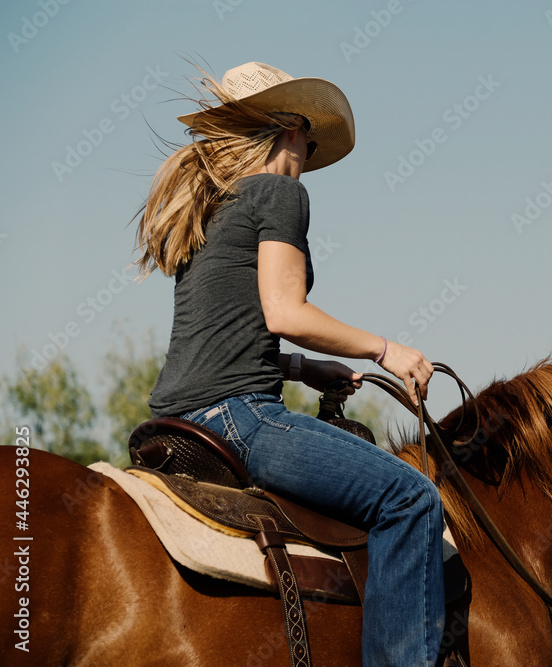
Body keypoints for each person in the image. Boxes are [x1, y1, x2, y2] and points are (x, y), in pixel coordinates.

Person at [134, 61, 445, 666]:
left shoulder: (208, 205)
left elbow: (225, 331)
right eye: (306, 131)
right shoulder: (280, 193)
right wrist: (388, 349)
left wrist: (303, 371)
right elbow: (284, 312)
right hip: (241, 418)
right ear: (284, 129)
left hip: (177, 420)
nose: (310, 147)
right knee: (412, 501)